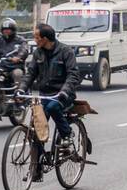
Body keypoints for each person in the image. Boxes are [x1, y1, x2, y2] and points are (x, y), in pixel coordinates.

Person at [19, 22, 81, 155]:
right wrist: (21, 89)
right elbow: (30, 74)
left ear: (45, 39)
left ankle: (67, 135)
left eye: (36, 37)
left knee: (53, 107)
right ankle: (37, 167)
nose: (34, 40)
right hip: (44, 96)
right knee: (36, 129)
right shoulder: (38, 53)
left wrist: (64, 91)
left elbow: (73, 75)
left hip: (63, 95)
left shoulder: (66, 51)